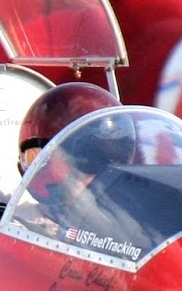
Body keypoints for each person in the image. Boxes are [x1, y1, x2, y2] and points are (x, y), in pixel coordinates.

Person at [8, 82, 122, 239]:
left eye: (103, 157)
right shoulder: (19, 228)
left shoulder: (128, 225)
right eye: (87, 157)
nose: (102, 170)